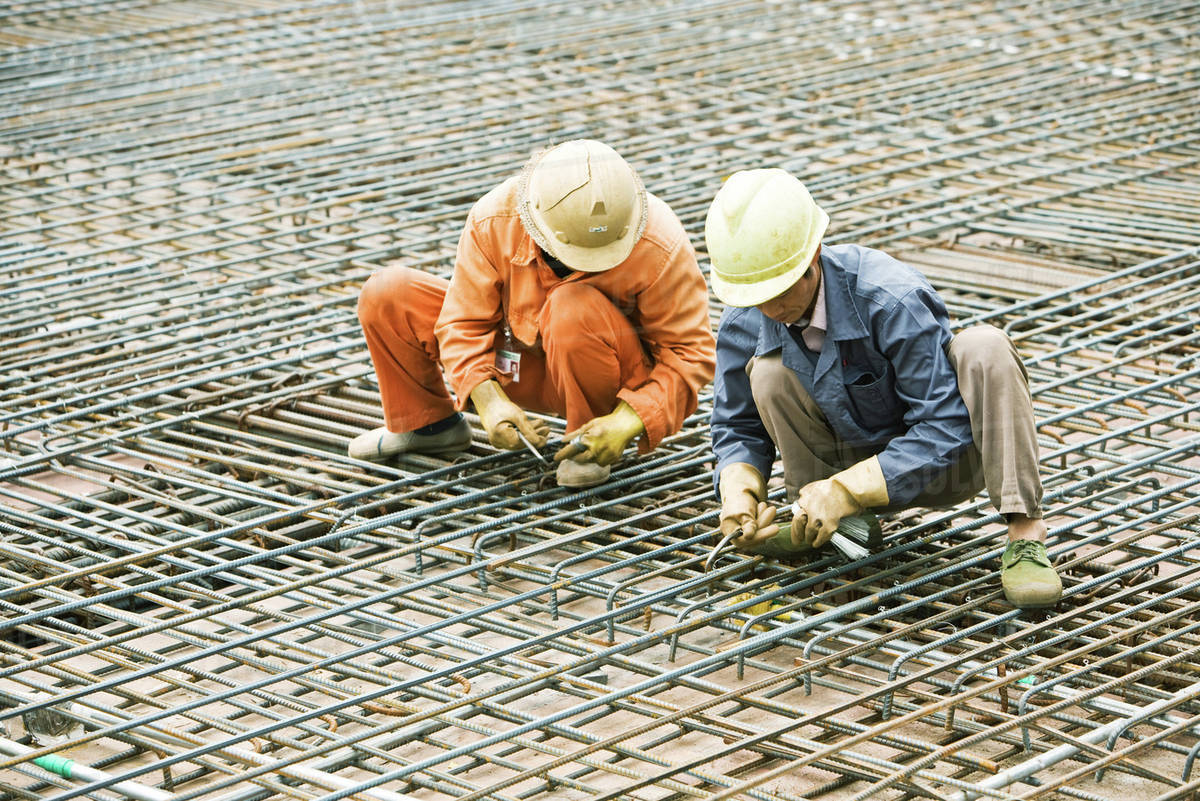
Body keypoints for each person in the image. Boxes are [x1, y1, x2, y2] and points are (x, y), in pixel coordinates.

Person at [705, 167, 1061, 609]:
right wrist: (738, 489)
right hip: (830, 485)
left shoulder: (888, 297)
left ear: (812, 256)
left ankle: (1025, 533)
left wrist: (849, 489)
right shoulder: (747, 317)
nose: (769, 308)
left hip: (945, 466)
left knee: (986, 348)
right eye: (755, 296)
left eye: (778, 291)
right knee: (770, 371)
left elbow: (944, 424)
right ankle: (822, 527)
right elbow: (735, 425)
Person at [350, 139, 716, 488]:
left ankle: (589, 443)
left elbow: (690, 355)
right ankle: (430, 425)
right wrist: (488, 401)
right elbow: (462, 322)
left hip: (606, 373)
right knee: (389, 294)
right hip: (517, 360)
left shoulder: (659, 241)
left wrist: (627, 421)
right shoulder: (495, 218)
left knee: (571, 305)